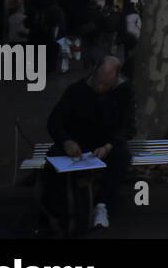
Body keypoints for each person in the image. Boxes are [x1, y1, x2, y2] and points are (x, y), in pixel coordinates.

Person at [44, 56, 135, 230]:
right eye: (98, 82)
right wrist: (66, 141)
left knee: (121, 156)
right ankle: (58, 209)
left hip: (106, 143)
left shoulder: (124, 92)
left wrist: (109, 145)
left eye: (106, 85)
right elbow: (55, 121)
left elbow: (128, 126)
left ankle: (103, 205)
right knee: (53, 159)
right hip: (77, 142)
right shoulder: (76, 90)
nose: (100, 88)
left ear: (116, 80)